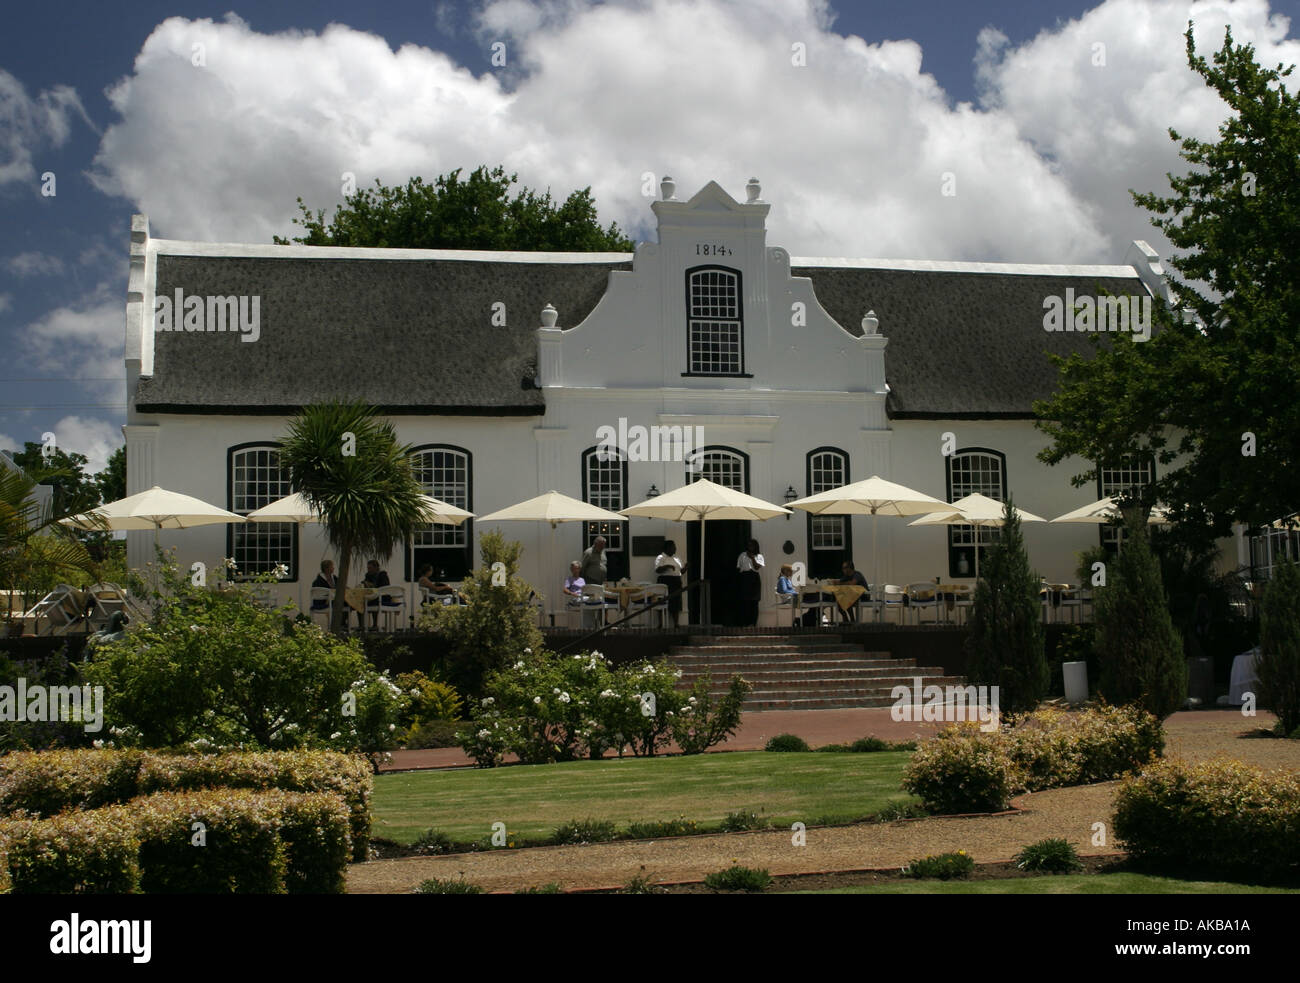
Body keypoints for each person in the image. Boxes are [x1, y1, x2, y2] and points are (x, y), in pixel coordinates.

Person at [655, 540, 686, 628]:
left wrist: (686, 567)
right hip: (665, 581)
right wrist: (667, 566)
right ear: (667, 548)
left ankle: (676, 623)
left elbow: (681, 571)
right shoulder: (661, 557)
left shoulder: (677, 558)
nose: (675, 549)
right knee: (662, 601)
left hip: (676, 581)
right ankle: (660, 623)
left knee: (676, 601)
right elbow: (657, 570)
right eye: (673, 547)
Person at [736, 539, 764, 627]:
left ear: (756, 546)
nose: (750, 547)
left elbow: (757, 567)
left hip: (754, 578)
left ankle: (753, 623)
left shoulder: (759, 556)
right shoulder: (742, 555)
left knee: (754, 602)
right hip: (745, 577)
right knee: (745, 602)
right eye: (749, 545)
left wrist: (752, 558)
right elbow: (738, 568)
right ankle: (745, 623)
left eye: (752, 545)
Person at [360, 559, 392, 630]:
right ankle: (361, 625)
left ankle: (375, 624)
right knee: (359, 602)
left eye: (370, 568)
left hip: (383, 596)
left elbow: (385, 586)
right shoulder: (368, 575)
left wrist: (372, 586)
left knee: (374, 600)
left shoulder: (382, 574)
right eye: (368, 568)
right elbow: (365, 584)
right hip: (371, 596)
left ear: (376, 567)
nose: (369, 570)